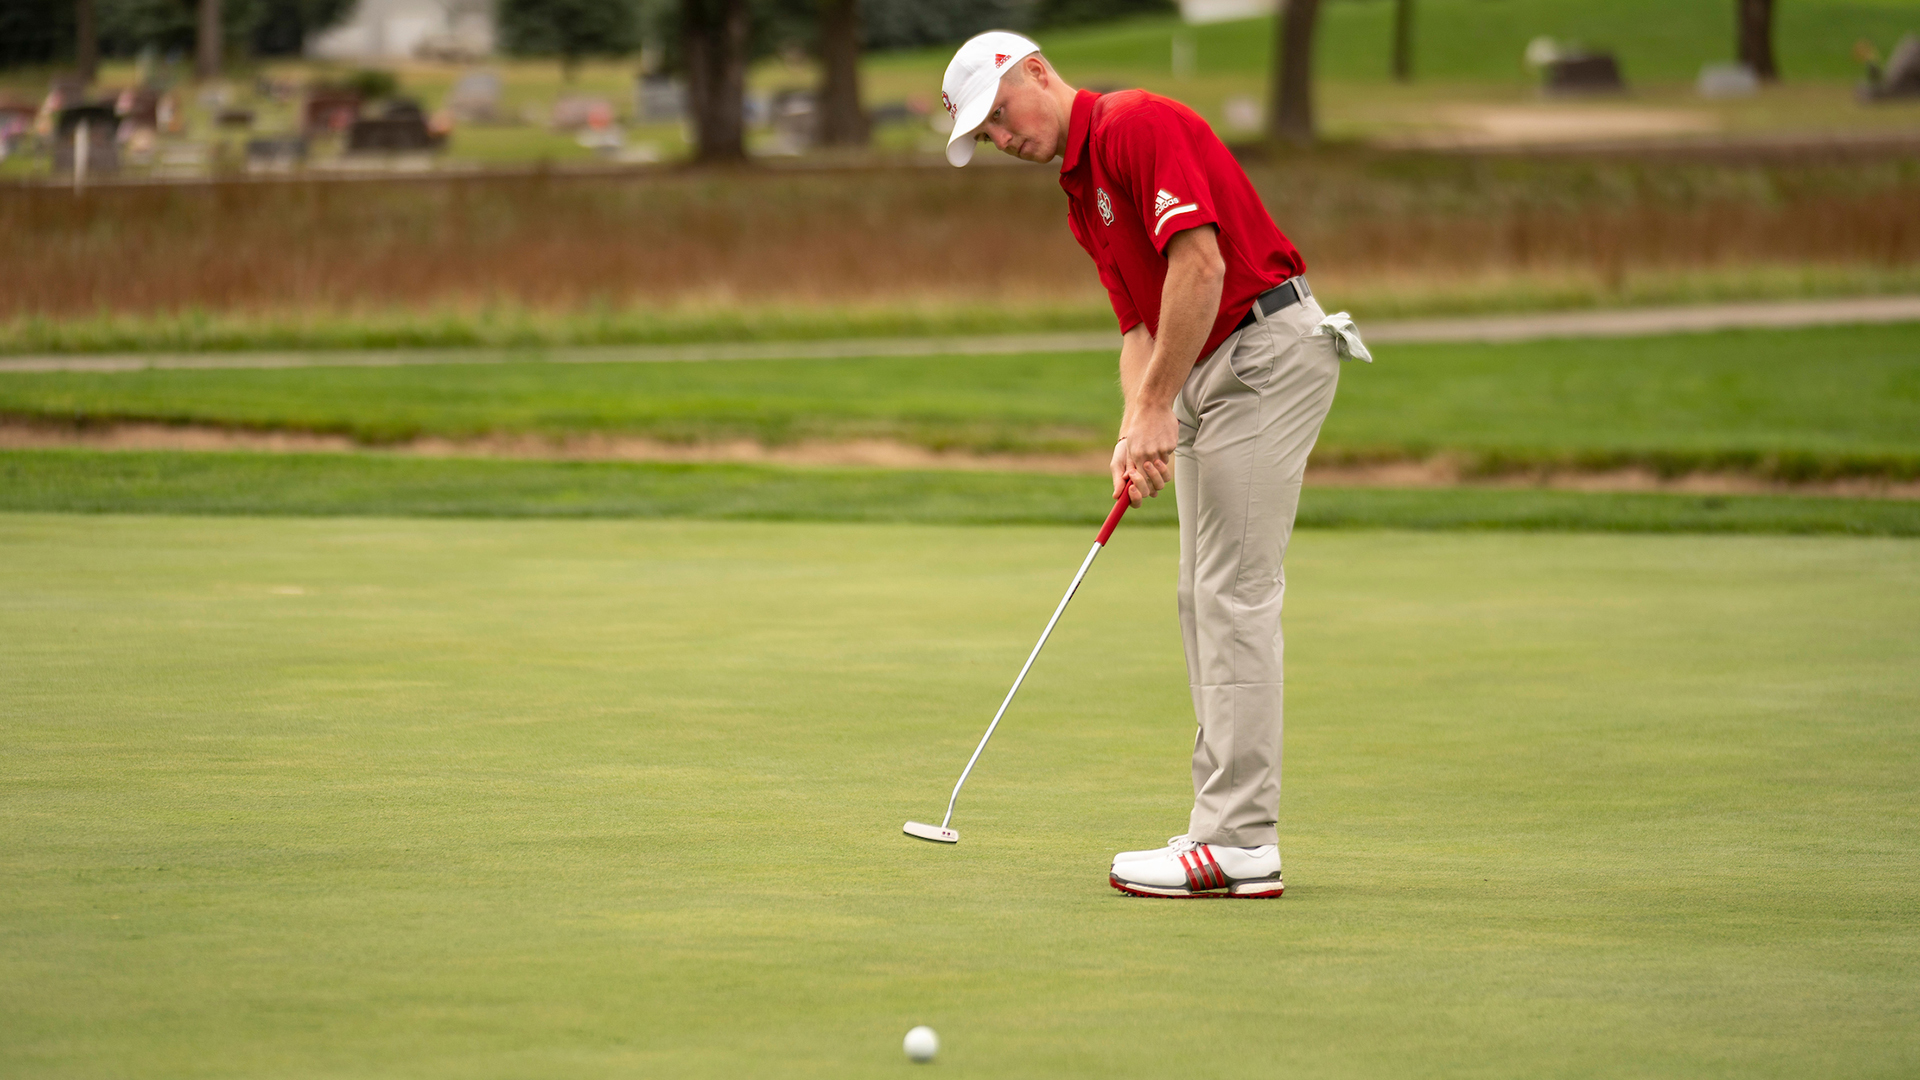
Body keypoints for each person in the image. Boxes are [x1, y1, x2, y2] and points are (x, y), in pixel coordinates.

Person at [940, 31, 1359, 898]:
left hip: (1263, 354)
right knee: (1199, 595)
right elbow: (1138, 328)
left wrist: (1160, 403)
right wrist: (1137, 422)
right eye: (985, 137)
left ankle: (1242, 841)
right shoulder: (1077, 190)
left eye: (998, 117)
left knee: (1234, 593)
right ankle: (1221, 825)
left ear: (1037, 74)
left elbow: (1199, 266)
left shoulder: (1133, 124)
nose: (1002, 140)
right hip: (1211, 372)